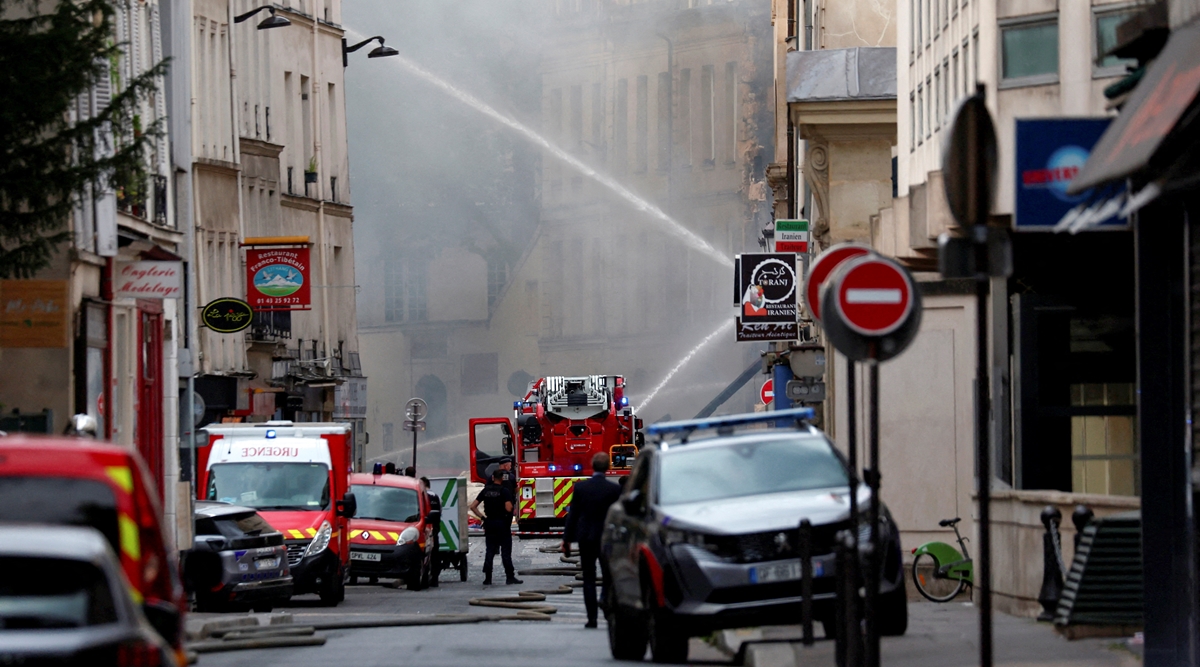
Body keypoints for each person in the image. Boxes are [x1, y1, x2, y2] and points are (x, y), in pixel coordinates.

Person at [563, 452, 622, 628]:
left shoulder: (581, 488)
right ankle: (605, 599)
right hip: (606, 539)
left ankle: (592, 619)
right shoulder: (614, 490)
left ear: (592, 466)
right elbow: (618, 517)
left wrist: (567, 539)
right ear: (608, 468)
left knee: (588, 578)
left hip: (586, 538)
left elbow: (573, 515)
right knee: (608, 576)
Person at [469, 469, 523, 586]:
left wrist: (483, 518)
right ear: (502, 479)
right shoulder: (504, 491)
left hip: (490, 523)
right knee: (505, 552)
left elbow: (473, 506)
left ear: (493, 478)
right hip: (502, 524)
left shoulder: (485, 491)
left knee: (490, 551)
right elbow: (509, 508)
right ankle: (510, 577)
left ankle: (488, 578)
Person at [420, 476, 442, 587]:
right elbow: (439, 513)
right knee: (435, 555)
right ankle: (434, 578)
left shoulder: (422, 496)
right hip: (434, 529)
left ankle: (425, 577)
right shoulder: (436, 496)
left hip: (424, 529)